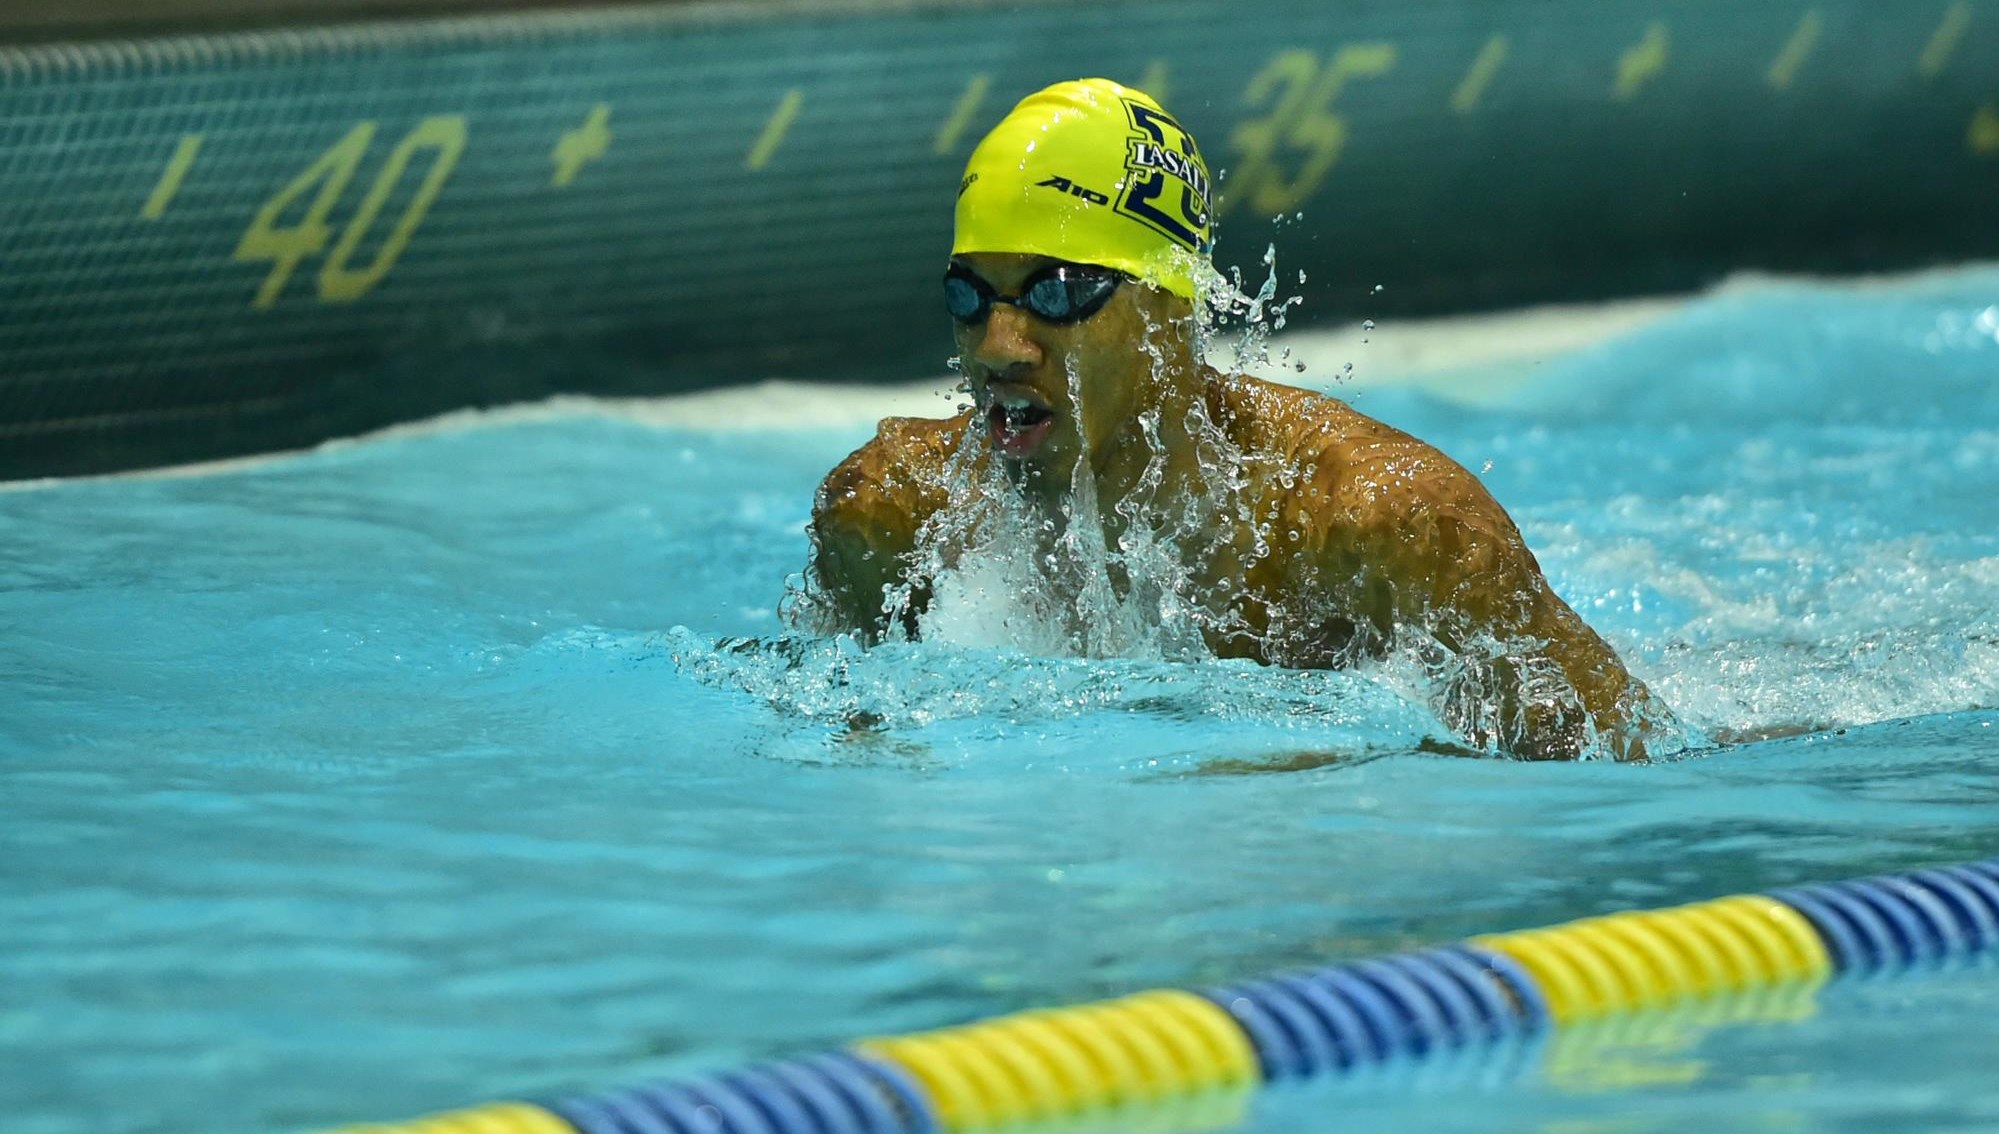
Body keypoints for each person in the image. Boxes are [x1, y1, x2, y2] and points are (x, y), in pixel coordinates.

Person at [798, 78, 1670, 761]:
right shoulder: (890, 516)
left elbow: (1619, 770)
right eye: (969, 292)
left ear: (1172, 308)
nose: (998, 345)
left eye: (1056, 292)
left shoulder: (1379, 523)